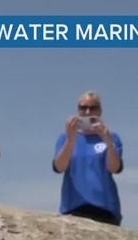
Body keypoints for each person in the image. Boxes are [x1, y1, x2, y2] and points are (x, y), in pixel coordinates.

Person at [52, 90, 124, 225]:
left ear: (100, 111)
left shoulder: (113, 138)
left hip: (105, 208)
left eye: (93, 107)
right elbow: (59, 167)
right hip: (73, 206)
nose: (87, 112)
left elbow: (114, 168)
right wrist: (71, 139)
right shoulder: (65, 138)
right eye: (83, 107)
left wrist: (107, 141)